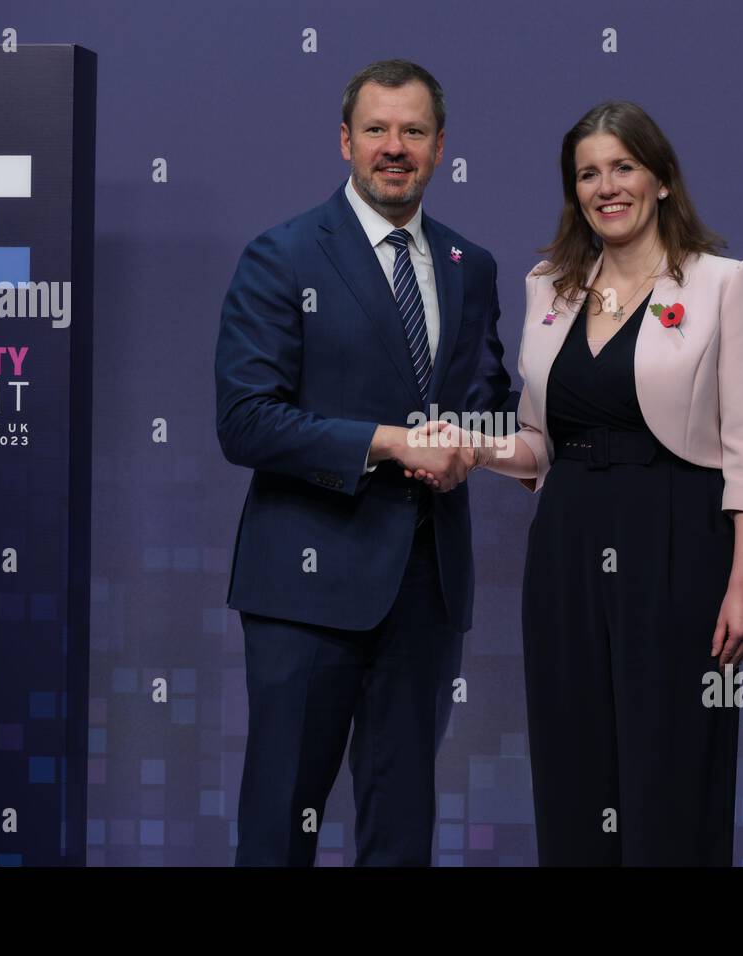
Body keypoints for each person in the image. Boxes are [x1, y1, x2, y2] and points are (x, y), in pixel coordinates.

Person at [428, 100, 743, 865]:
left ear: (660, 180)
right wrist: (468, 444)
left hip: (681, 536)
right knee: (572, 752)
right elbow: (535, 444)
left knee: (671, 759)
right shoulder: (548, 287)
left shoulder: (726, 283)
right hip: (568, 540)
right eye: (588, 173)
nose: (606, 186)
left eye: (622, 167)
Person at [214, 59, 516, 866]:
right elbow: (246, 422)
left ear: (440, 146)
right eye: (377, 129)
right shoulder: (281, 256)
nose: (395, 147)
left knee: (402, 832)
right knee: (282, 823)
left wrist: (468, 453)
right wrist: (388, 441)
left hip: (426, 589)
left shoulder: (471, 266)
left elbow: (490, 406)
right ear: (345, 141)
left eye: (413, 131)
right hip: (306, 588)